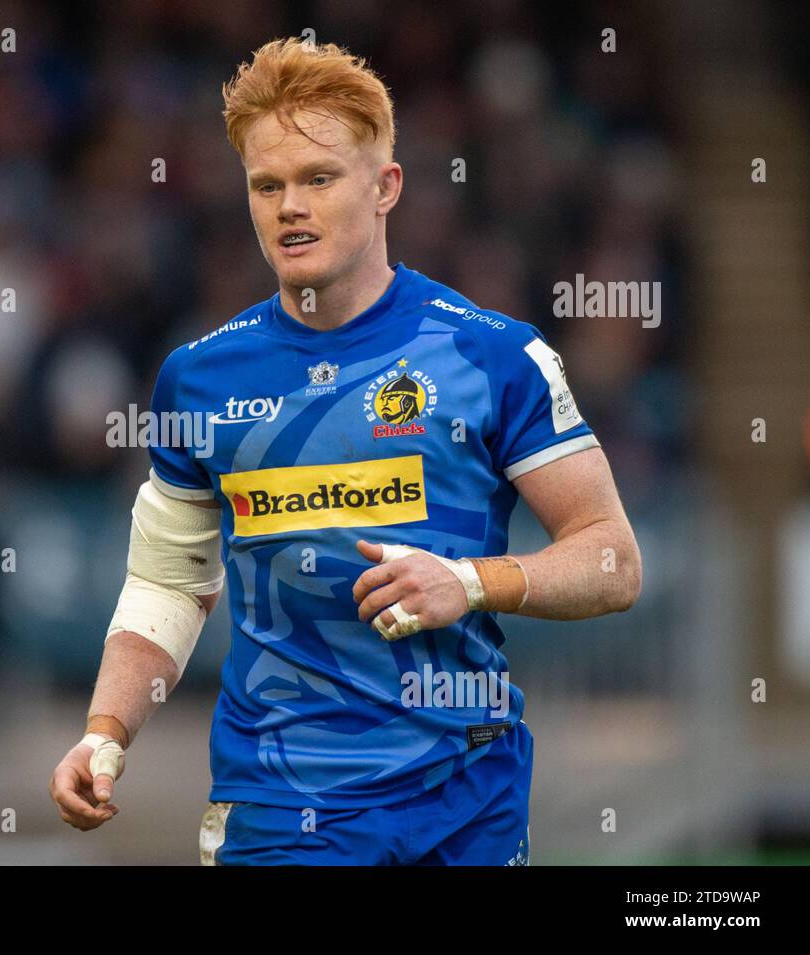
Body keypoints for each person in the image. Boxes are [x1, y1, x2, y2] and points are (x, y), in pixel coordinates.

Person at [49, 37, 641, 865]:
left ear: (385, 186)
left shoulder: (494, 357)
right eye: (268, 185)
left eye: (318, 178)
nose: (291, 206)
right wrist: (104, 733)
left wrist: (470, 582)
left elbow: (613, 561)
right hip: (281, 801)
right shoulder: (199, 378)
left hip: (467, 793)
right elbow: (169, 583)